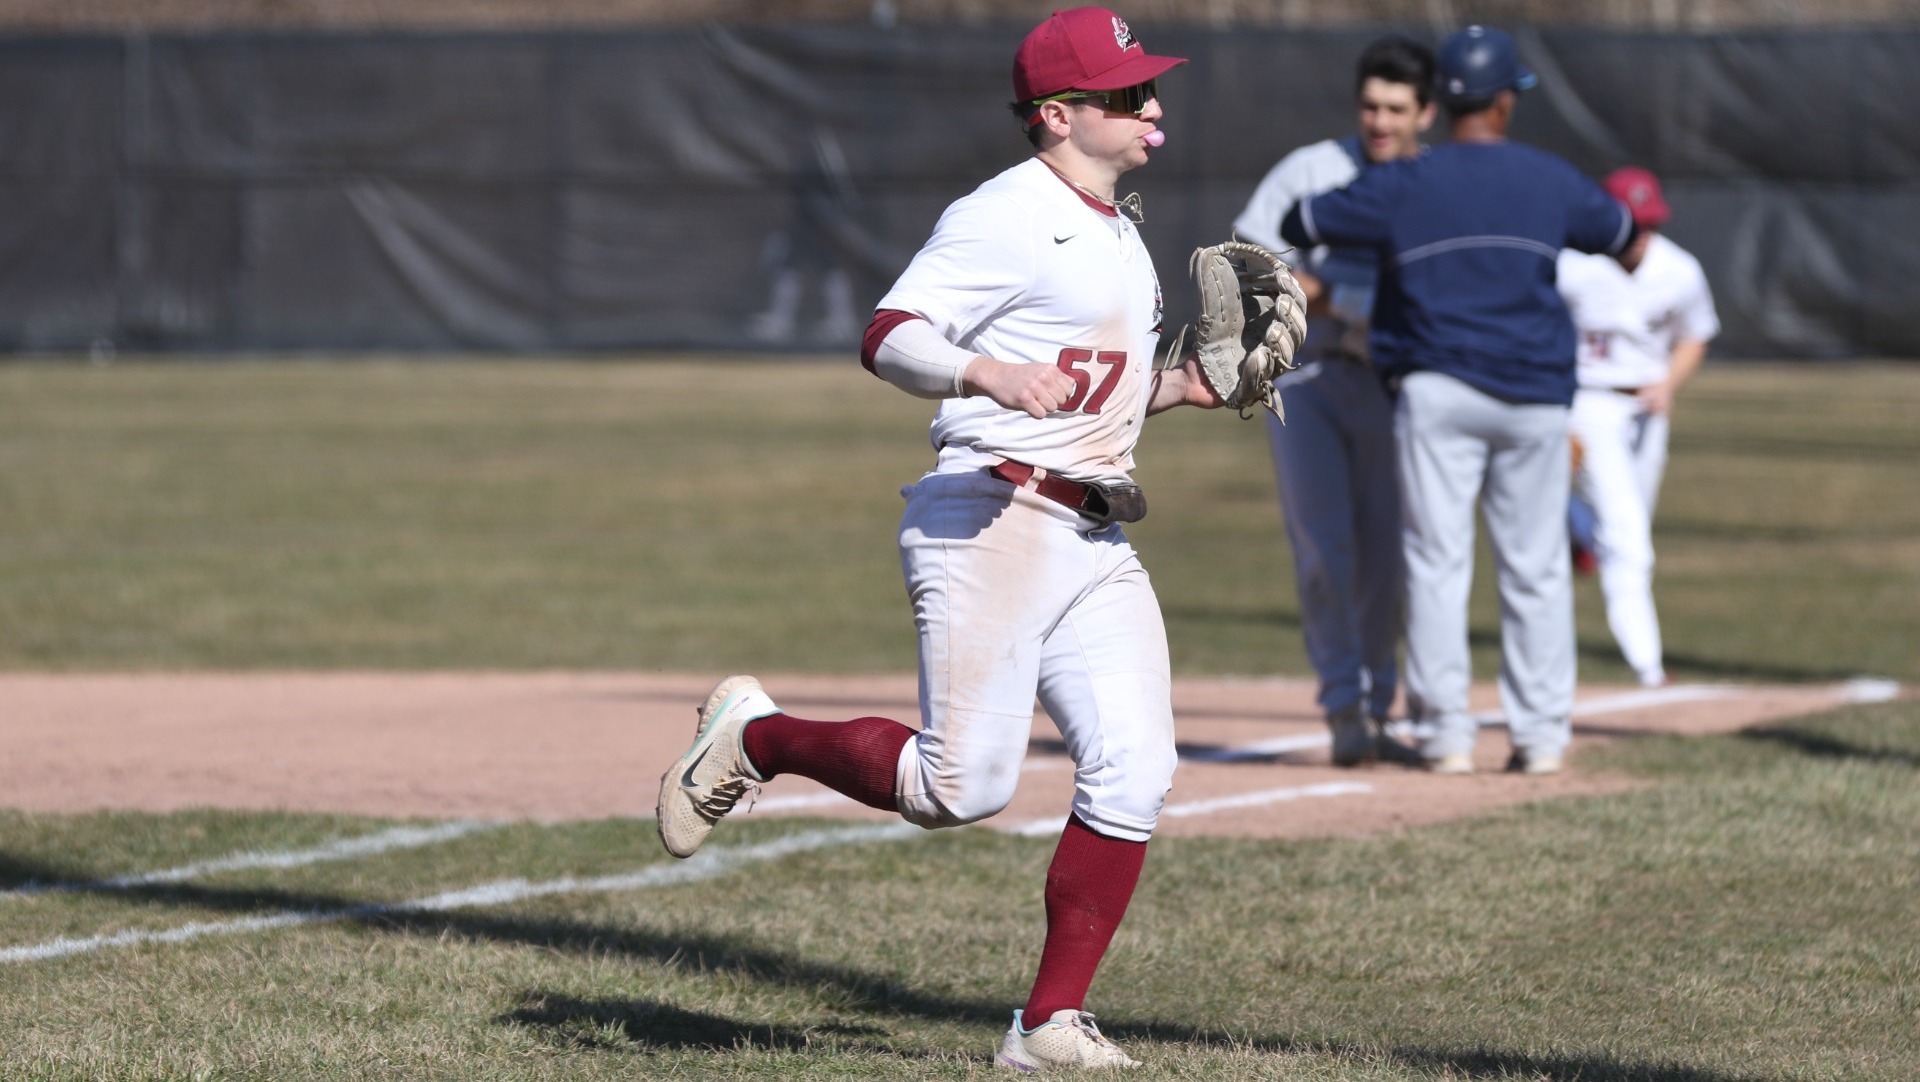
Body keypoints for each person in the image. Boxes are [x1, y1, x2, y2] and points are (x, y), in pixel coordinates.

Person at [655, 8, 1258, 1070]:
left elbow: (1089, 397)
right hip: (992, 518)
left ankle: (1047, 1025)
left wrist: (1182, 387)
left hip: (1093, 531)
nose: (1152, 104)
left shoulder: (1119, 230)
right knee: (960, 788)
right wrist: (985, 372)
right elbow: (889, 334)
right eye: (1127, 93)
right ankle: (757, 737)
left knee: (1136, 769)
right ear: (1059, 114)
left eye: (1147, 87)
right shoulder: (1005, 213)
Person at [1279, 25, 1635, 777]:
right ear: (1505, 102)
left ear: (1438, 103)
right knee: (1535, 566)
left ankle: (1445, 736)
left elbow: (1300, 222)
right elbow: (1625, 235)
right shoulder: (1547, 176)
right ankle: (1540, 736)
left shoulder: (1407, 179)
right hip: (1534, 395)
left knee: (1436, 561)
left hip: (1437, 390)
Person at [1231, 35, 1435, 768]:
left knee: (1389, 557)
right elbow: (1250, 264)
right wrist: (1337, 298)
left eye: (1397, 109)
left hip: (1396, 386)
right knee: (1324, 548)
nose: (1380, 121)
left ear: (1426, 113)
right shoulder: (1313, 169)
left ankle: (1379, 708)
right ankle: (1344, 708)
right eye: (1370, 106)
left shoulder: (1436, 181)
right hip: (1309, 377)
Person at [1557, 166, 1719, 689]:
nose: (1642, 234)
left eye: (1650, 222)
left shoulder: (1679, 269)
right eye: (1633, 222)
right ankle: (1647, 664)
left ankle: (1576, 527)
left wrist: (1669, 383)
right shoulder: (1572, 265)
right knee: (1629, 539)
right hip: (1588, 403)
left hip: (1648, 410)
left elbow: (1696, 335)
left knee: (1629, 526)